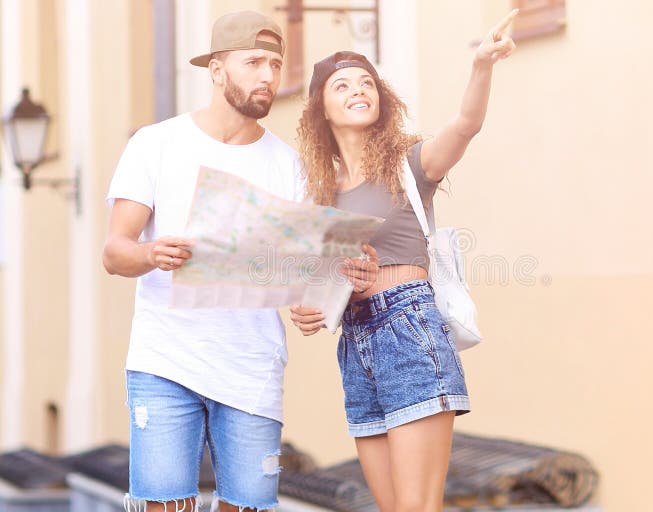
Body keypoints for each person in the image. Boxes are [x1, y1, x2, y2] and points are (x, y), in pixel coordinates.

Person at [102, 11, 377, 512]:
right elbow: (115, 252)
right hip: (164, 361)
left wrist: (317, 301)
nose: (268, 76)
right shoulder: (156, 144)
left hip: (252, 367)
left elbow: (303, 272)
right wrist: (149, 252)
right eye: (254, 62)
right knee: (164, 507)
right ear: (216, 70)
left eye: (275, 64)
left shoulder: (288, 164)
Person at [289, 9, 518, 512]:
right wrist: (309, 310)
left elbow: (466, 126)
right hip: (354, 345)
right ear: (321, 109)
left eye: (366, 82)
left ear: (382, 97)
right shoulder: (320, 195)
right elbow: (323, 284)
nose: (357, 90)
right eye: (342, 85)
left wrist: (482, 65)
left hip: (408, 330)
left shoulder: (410, 164)